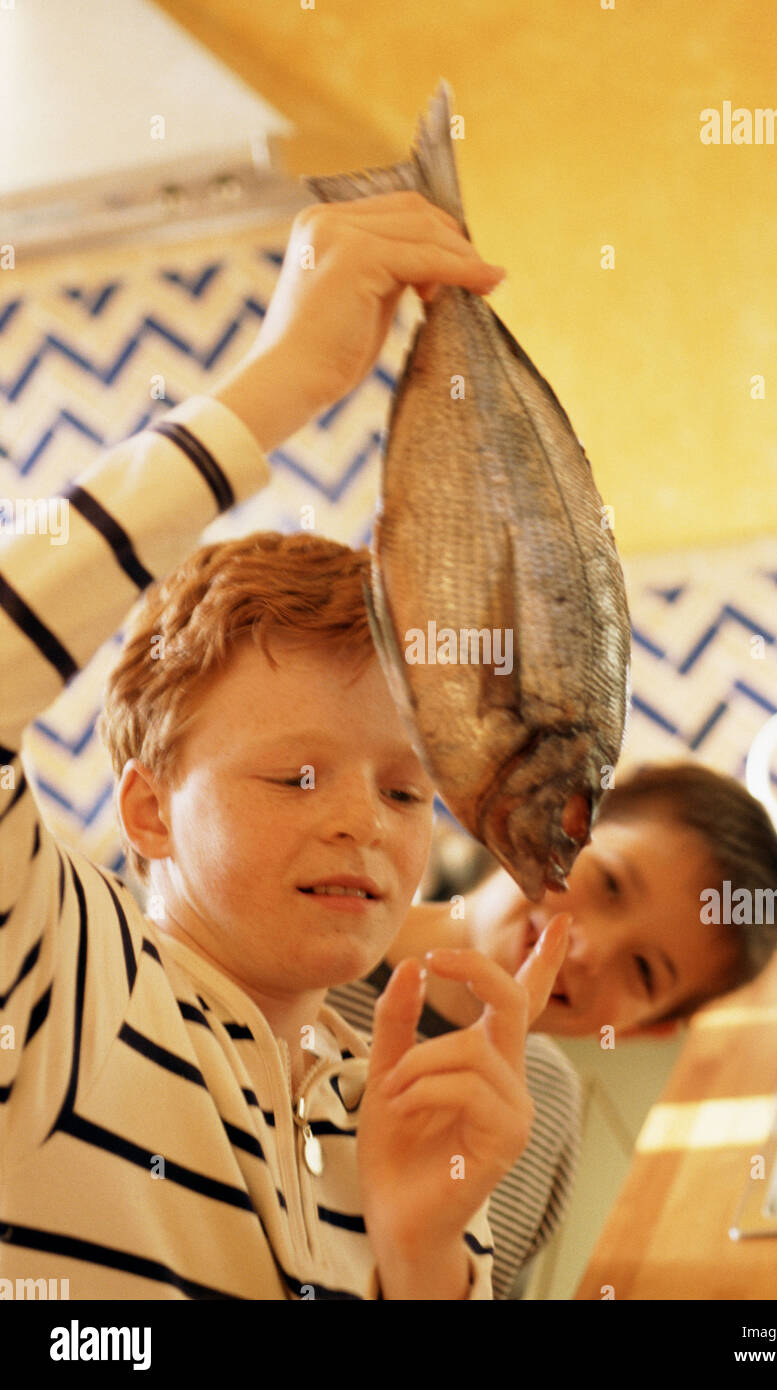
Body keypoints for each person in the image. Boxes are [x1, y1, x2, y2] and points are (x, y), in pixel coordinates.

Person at [0, 191, 572, 1301]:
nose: (365, 819)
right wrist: (276, 386)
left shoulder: (393, 1103)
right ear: (150, 808)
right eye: (298, 773)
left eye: (409, 795)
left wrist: (421, 1260)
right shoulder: (70, 983)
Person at [328, 760, 777, 1297]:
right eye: (610, 882)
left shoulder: (544, 1117)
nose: (588, 948)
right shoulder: (307, 955)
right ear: (552, 820)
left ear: (645, 1030)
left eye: (644, 970)